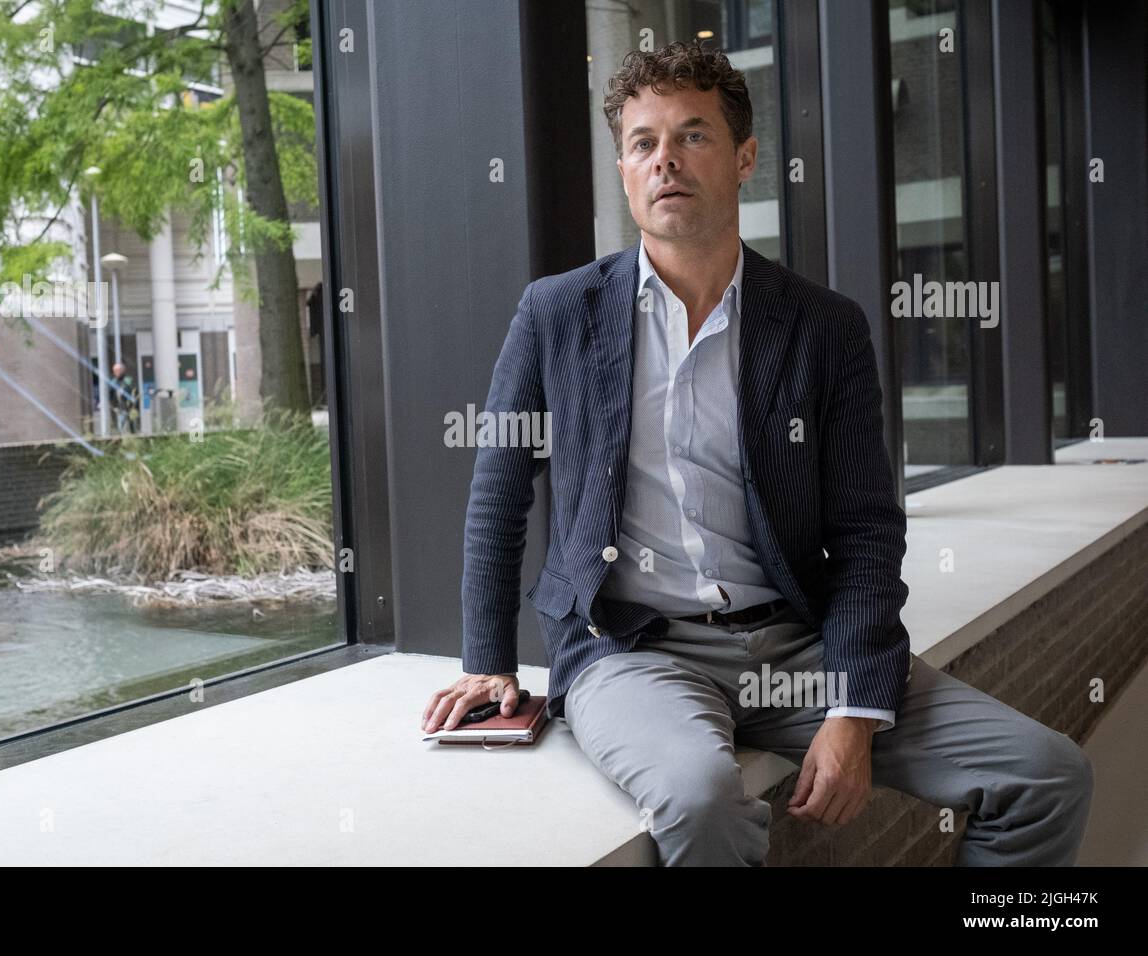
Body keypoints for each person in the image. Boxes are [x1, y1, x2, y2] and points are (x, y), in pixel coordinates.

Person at [421, 40, 1093, 866]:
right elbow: (499, 492)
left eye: (692, 135)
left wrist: (854, 709)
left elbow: (865, 531)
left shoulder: (823, 326)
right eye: (643, 143)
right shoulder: (557, 313)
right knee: (700, 799)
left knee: (1047, 774)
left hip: (797, 642)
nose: (665, 160)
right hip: (632, 651)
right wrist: (487, 660)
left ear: (744, 158)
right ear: (624, 169)